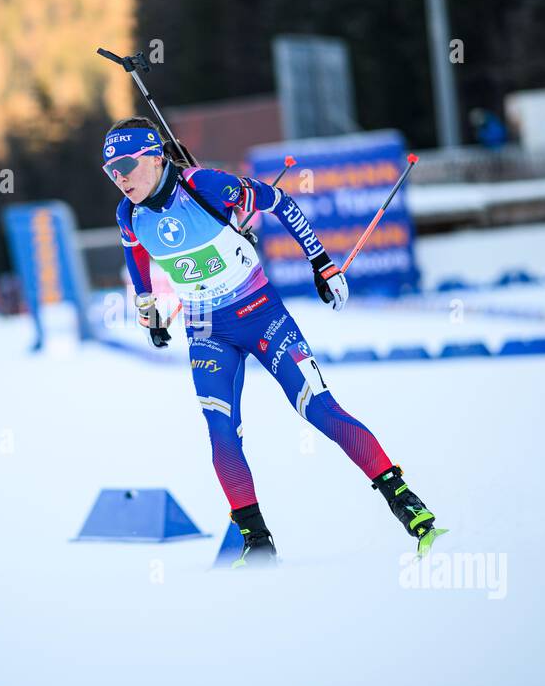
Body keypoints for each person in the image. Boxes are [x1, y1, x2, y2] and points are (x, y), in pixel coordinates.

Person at [105, 117, 445, 567]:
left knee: (318, 409)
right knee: (221, 434)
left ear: (153, 155)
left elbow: (279, 202)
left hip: (261, 315)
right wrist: (148, 307)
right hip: (206, 329)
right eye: (110, 170)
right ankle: (257, 542)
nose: (120, 177)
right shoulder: (129, 213)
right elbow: (136, 253)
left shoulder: (204, 185)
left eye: (126, 164)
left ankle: (408, 505)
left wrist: (321, 263)